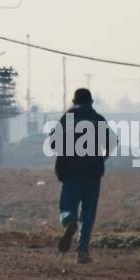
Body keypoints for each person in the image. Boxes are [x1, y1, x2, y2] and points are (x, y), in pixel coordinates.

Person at [48, 86, 114, 264]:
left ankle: (69, 222)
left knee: (67, 207)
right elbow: (111, 144)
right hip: (92, 172)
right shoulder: (98, 119)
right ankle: (83, 252)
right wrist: (99, 160)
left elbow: (53, 144)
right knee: (88, 213)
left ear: (73, 102)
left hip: (70, 172)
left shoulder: (67, 119)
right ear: (91, 102)